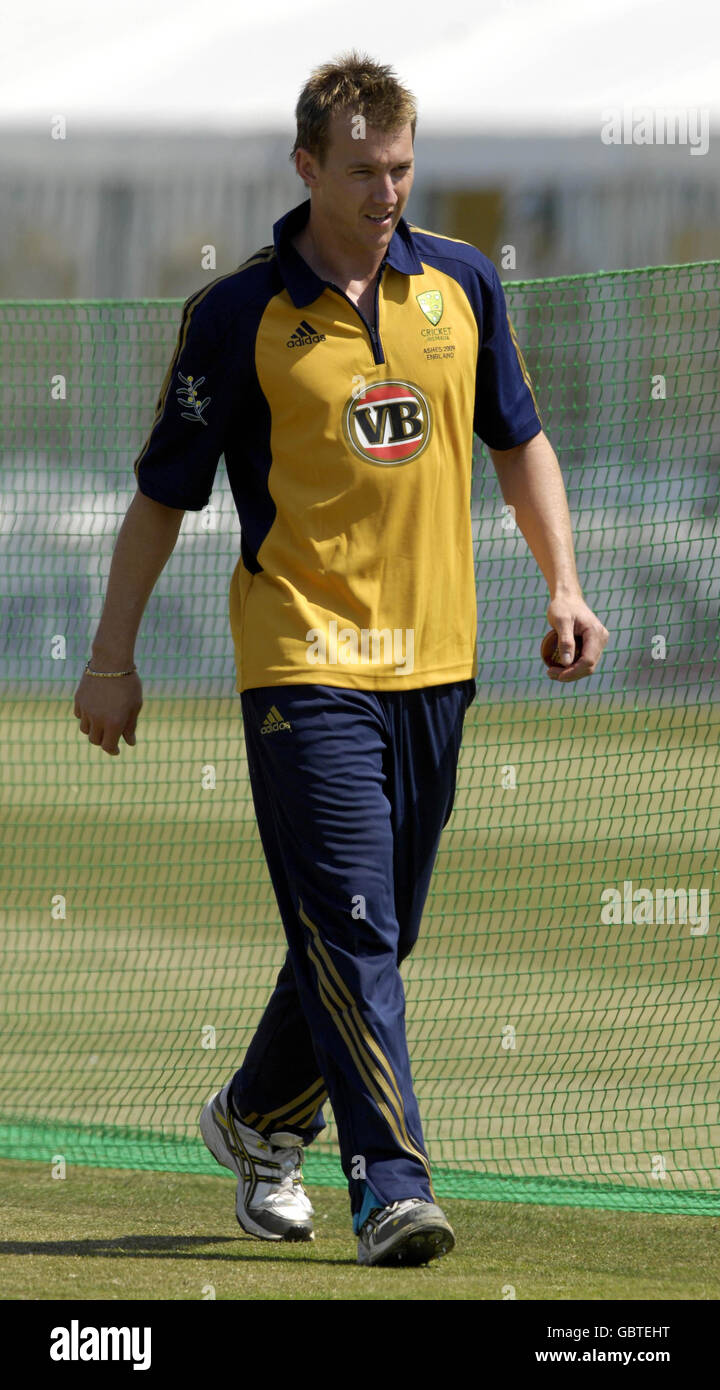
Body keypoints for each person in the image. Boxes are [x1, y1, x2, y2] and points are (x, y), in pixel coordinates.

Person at [73, 51, 609, 1267]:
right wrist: (113, 656)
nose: (387, 191)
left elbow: (522, 442)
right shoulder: (233, 315)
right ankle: (390, 1183)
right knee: (357, 929)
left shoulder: (464, 285)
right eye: (364, 169)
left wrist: (566, 584)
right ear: (306, 164)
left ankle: (258, 1117)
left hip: (439, 664)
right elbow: (164, 495)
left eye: (404, 168)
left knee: (369, 926)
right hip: (302, 662)